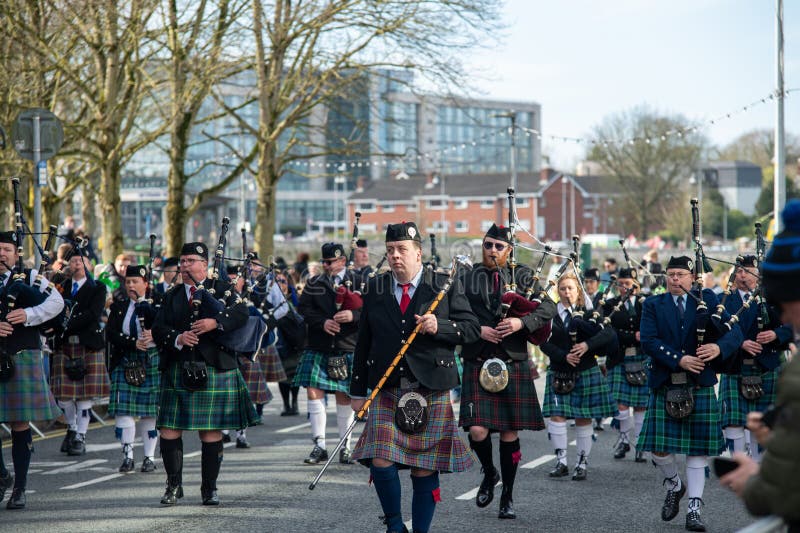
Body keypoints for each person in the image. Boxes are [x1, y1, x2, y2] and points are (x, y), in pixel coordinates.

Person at [350, 221, 480, 533]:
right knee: (380, 458)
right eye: (390, 250)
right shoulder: (376, 288)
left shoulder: (443, 285)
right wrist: (356, 390)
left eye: (402, 249)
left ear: (418, 253)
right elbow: (363, 341)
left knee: (424, 467)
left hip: (430, 385)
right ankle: (395, 525)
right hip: (387, 386)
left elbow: (472, 329)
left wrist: (440, 326)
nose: (395, 255)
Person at [639, 255, 743, 532]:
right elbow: (648, 341)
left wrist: (719, 348)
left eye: (680, 275)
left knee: (697, 450)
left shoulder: (708, 300)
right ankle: (675, 484)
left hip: (699, 383)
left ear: (692, 278)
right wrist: (679, 359)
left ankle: (694, 508)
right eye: (671, 274)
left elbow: (735, 333)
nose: (675, 279)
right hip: (667, 381)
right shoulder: (653, 304)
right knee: (658, 449)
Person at [460, 224, 556, 519]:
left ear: (510, 250)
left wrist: (520, 323)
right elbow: (455, 314)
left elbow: (548, 308)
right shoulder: (467, 277)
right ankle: (490, 473)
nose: (492, 250)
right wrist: (478, 330)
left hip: (512, 361)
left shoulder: (524, 275)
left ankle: (508, 496)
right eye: (488, 245)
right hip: (479, 358)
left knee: (509, 432)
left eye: (498, 246)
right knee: (477, 430)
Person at [152, 242, 258, 506]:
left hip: (215, 366)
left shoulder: (222, 289)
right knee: (169, 430)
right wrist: (178, 338)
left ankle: (209, 489)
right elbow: (158, 328)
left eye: (190, 261)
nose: (185, 265)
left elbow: (242, 313)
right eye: (182, 261)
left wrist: (215, 322)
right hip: (179, 366)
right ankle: (173, 486)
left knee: (210, 431)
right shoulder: (173, 295)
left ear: (204, 264)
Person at [718, 201, 800, 530]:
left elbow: (786, 492)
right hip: (741, 365)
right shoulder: (726, 300)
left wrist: (755, 482)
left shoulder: (796, 375)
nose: (785, 317)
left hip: (766, 365)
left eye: (786, 305)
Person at [0, 231, 64, 509]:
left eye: (6, 249)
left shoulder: (30, 278)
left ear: (16, 254)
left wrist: (28, 315)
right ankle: (2, 476)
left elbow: (56, 303)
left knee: (20, 422)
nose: (1, 254)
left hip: (22, 355)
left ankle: (20, 488)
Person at [540, 272, 617, 481]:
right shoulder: (550, 314)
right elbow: (542, 341)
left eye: (571, 288)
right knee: (556, 416)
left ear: (578, 291)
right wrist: (563, 356)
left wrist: (587, 345)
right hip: (559, 369)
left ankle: (582, 463)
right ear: (558, 291)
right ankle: (561, 462)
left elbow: (608, 333)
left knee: (583, 417)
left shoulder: (590, 312)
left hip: (585, 369)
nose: (567, 292)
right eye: (563, 288)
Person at [717, 255, 791, 460]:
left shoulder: (772, 298)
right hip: (735, 366)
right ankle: (739, 463)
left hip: (766, 365)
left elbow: (792, 324)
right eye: (739, 271)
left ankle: (757, 467)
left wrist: (776, 334)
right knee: (733, 423)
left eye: (748, 271)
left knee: (761, 422)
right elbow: (716, 329)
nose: (743, 275)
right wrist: (739, 343)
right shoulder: (723, 300)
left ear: (758, 275)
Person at [295, 242, 362, 465]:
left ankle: (345, 446)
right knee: (313, 392)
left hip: (347, 345)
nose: (326, 265)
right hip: (320, 345)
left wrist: (353, 316)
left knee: (344, 396)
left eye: (330, 261)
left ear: (342, 260)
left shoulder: (359, 281)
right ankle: (320, 445)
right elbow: (303, 310)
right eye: (324, 261)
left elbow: (373, 310)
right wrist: (322, 322)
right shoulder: (314, 282)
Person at [51, 250, 109, 456]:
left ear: (89, 265)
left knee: (85, 396)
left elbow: (93, 313)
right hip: (64, 345)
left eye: (81, 260)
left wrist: (67, 324)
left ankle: (80, 436)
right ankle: (72, 428)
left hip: (88, 345)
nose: (77, 264)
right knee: (64, 397)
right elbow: (53, 310)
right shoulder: (61, 286)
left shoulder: (98, 287)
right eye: (74, 260)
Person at [105, 264, 160, 473]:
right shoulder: (119, 306)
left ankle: (149, 457)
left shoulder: (157, 304)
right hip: (126, 360)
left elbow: (165, 329)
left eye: (135, 281)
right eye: (128, 281)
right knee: (123, 411)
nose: (130, 285)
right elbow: (111, 333)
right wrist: (132, 343)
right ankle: (127, 456)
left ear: (145, 283)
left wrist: (153, 334)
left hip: (150, 360)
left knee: (149, 414)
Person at [603, 268, 649, 462]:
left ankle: (639, 444)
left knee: (640, 405)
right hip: (619, 358)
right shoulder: (610, 305)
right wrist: (632, 336)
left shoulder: (645, 303)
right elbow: (609, 331)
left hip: (642, 357)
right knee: (620, 404)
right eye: (620, 284)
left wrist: (643, 334)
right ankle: (623, 441)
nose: (624, 287)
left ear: (635, 285)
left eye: (628, 284)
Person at [274, 270, 303, 416]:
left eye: (283, 281)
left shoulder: (295, 299)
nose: (280, 284)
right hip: (280, 342)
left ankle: (295, 403)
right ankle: (286, 404)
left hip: (295, 342)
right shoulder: (271, 299)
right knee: (282, 376)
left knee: (294, 375)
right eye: (277, 281)